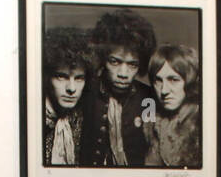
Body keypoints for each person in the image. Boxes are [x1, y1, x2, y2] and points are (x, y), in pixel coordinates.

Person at [78, 9, 157, 167]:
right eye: (115, 62)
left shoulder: (149, 98)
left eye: (132, 65)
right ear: (102, 59)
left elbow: (152, 146)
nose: (123, 74)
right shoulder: (85, 91)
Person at [145, 44, 202, 168]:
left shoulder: (202, 122)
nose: (164, 90)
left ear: (190, 81)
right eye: (158, 80)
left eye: (174, 80)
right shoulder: (153, 120)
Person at [42, 26, 90, 166]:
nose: (71, 89)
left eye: (79, 78)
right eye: (61, 77)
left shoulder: (81, 117)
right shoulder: (32, 118)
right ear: (47, 78)